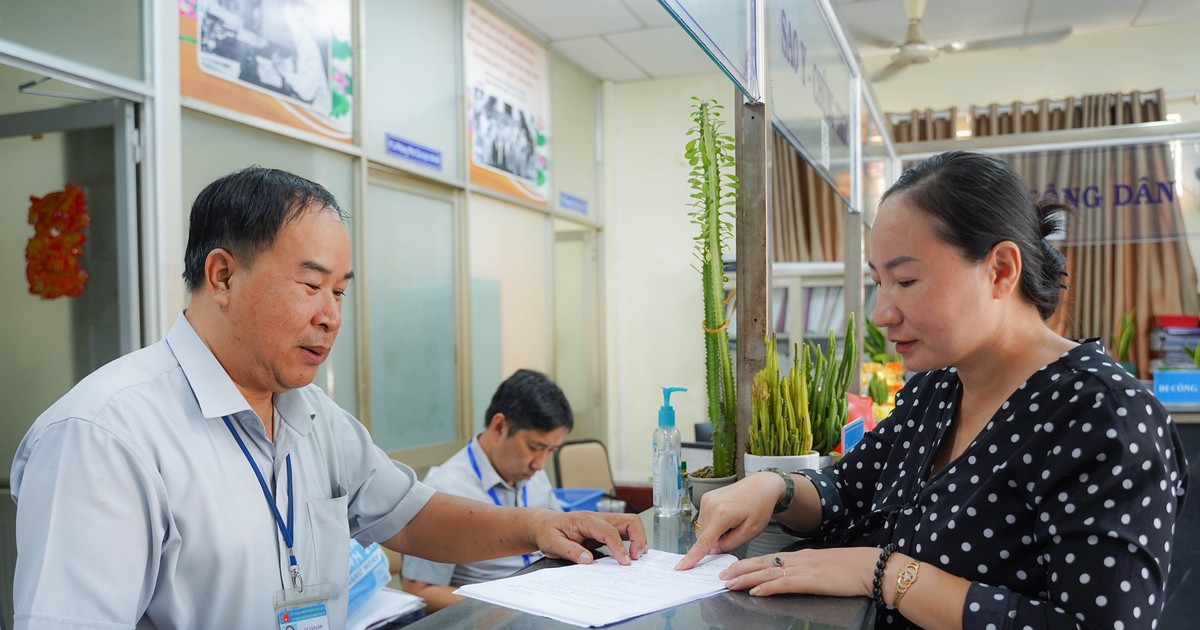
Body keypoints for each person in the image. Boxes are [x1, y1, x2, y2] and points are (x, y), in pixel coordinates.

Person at [10, 166, 646, 628]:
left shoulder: (311, 414)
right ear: (223, 275)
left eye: (340, 292)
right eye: (311, 285)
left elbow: (412, 515)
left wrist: (539, 525)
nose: (331, 316)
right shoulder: (104, 435)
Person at [676, 151, 1188, 629]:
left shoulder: (1104, 416)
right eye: (879, 282)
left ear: (1001, 270)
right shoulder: (938, 388)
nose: (882, 313)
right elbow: (850, 491)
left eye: (907, 281)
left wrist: (882, 573)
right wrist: (775, 487)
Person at [401, 368, 573, 612]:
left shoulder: (533, 474)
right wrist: (501, 608)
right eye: (535, 447)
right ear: (499, 427)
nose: (540, 463)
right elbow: (420, 592)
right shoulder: (444, 490)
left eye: (551, 450)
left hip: (550, 600)